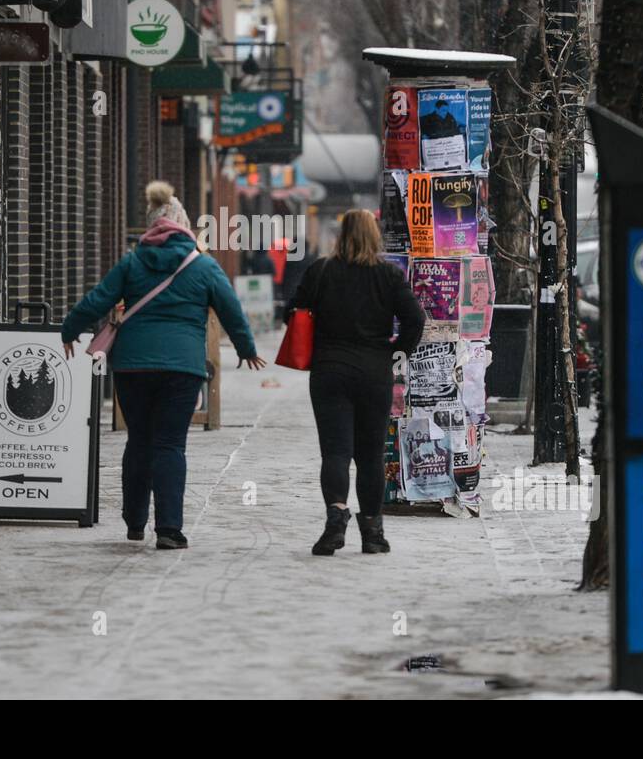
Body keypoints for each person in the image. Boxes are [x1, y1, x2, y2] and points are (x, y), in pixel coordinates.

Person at [62, 181, 265, 550]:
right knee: (170, 445)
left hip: (133, 367)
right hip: (182, 370)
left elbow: (97, 300)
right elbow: (231, 308)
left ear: (152, 227)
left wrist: (69, 329)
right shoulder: (203, 265)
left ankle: (135, 521)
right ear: (183, 225)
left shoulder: (132, 262)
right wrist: (246, 348)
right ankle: (169, 530)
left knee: (138, 440)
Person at [290, 209, 424, 555]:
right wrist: (398, 351)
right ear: (374, 235)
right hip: (374, 372)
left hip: (329, 370)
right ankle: (373, 533)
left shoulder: (321, 271)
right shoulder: (388, 276)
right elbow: (414, 318)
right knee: (370, 455)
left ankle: (335, 521)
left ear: (341, 235)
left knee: (335, 451)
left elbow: (292, 310)